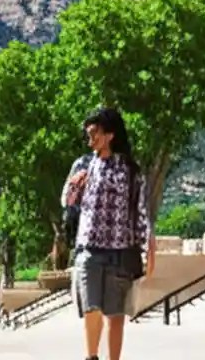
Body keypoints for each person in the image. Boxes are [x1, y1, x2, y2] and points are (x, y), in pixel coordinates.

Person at [62, 106, 155, 360]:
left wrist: (149, 249)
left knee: (115, 316)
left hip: (120, 251)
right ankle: (91, 356)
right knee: (90, 308)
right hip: (88, 249)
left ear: (110, 135)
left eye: (94, 133)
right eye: (88, 134)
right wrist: (74, 187)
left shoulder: (131, 170)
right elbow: (67, 202)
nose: (90, 139)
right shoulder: (82, 164)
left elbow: (141, 211)